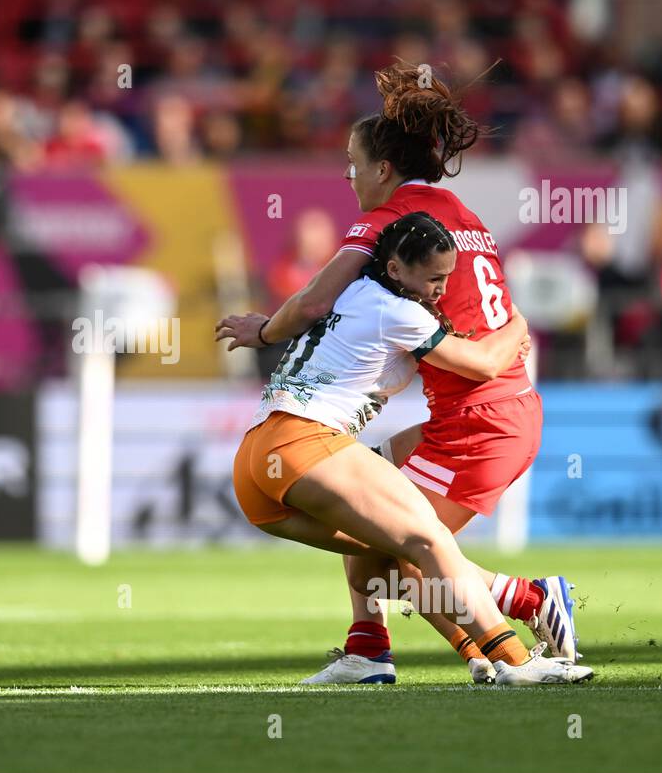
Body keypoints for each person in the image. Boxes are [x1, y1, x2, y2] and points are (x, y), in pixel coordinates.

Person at [217, 62, 578, 684]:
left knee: (402, 553)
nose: (347, 174)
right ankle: (368, 647)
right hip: (482, 405)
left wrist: (264, 331)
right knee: (369, 516)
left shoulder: (389, 225)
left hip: (479, 417)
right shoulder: (459, 214)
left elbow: (311, 302)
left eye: (352, 161)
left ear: (384, 169)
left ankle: (524, 608)